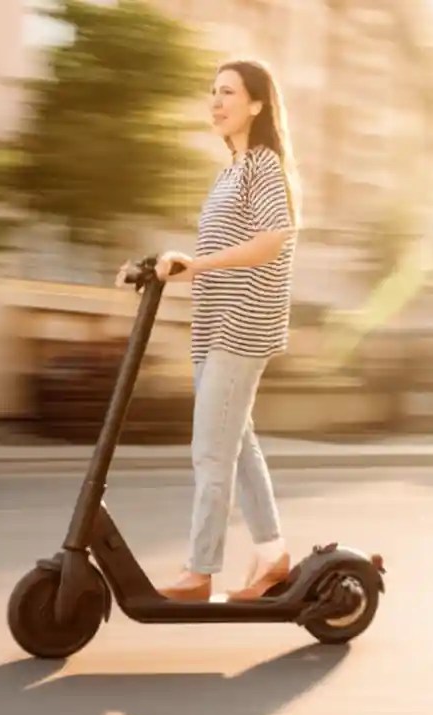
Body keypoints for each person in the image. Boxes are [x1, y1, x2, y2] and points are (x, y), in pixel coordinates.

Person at [117, 59, 300, 602]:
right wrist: (163, 263)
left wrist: (195, 266)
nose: (216, 101)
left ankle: (199, 572)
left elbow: (272, 240)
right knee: (237, 444)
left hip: (243, 324)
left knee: (210, 451)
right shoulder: (228, 171)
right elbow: (221, 246)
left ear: (257, 104)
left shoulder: (263, 164)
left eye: (228, 92)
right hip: (214, 322)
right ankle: (272, 555)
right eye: (212, 92)